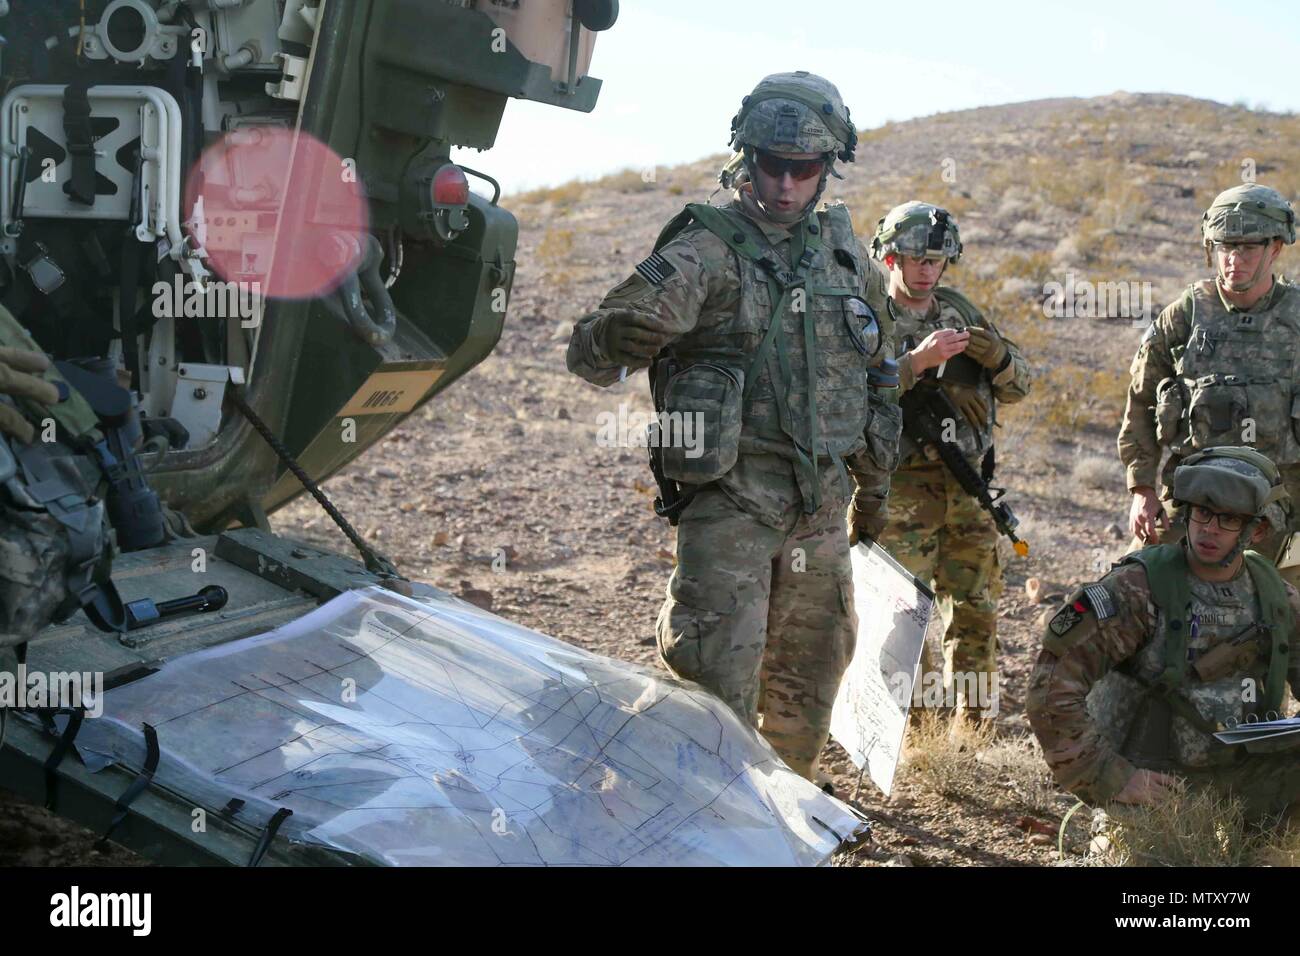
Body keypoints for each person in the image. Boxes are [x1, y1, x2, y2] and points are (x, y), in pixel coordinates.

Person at [566, 71, 901, 780]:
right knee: (711, 687)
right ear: (746, 159)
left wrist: (873, 486)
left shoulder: (846, 255)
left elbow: (880, 370)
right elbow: (591, 346)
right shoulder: (706, 246)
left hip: (820, 511)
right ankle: (696, 830)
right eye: (770, 166)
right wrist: (619, 338)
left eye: (802, 168)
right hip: (732, 504)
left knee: (808, 685)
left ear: (828, 166)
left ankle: (780, 828)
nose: (784, 184)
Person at [1027, 447, 1300, 825]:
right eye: (1202, 512)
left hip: (1245, 777)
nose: (1210, 528)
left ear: (1257, 530)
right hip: (1153, 785)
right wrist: (1111, 777)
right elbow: (1050, 688)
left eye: (1229, 519)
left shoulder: (1275, 595)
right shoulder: (1136, 589)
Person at [869, 202, 1030, 717]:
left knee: (975, 610)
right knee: (901, 616)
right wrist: (917, 363)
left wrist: (999, 360)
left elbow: (1019, 387)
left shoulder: (961, 312)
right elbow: (847, 396)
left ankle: (973, 728)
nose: (926, 270)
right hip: (901, 492)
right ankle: (915, 735)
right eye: (915, 259)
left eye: (936, 261)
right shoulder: (867, 315)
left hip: (968, 490)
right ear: (890, 258)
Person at [1119, 184, 1300, 583]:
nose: (1233, 260)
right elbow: (1141, 402)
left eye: (1247, 248)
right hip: (1194, 497)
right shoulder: (1184, 316)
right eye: (1224, 248)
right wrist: (1143, 491)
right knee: (1129, 593)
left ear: (1275, 249)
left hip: (1283, 504)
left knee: (1281, 624)